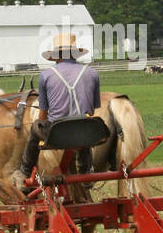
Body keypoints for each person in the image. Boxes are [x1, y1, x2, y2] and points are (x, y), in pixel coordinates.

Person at [16, 32, 101, 187]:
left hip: (57, 135)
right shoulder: (92, 73)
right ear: (75, 54)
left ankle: (26, 171)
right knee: (85, 122)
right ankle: (86, 170)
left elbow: (43, 116)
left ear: (56, 56)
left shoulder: (46, 75)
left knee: (36, 126)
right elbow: (92, 110)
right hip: (85, 133)